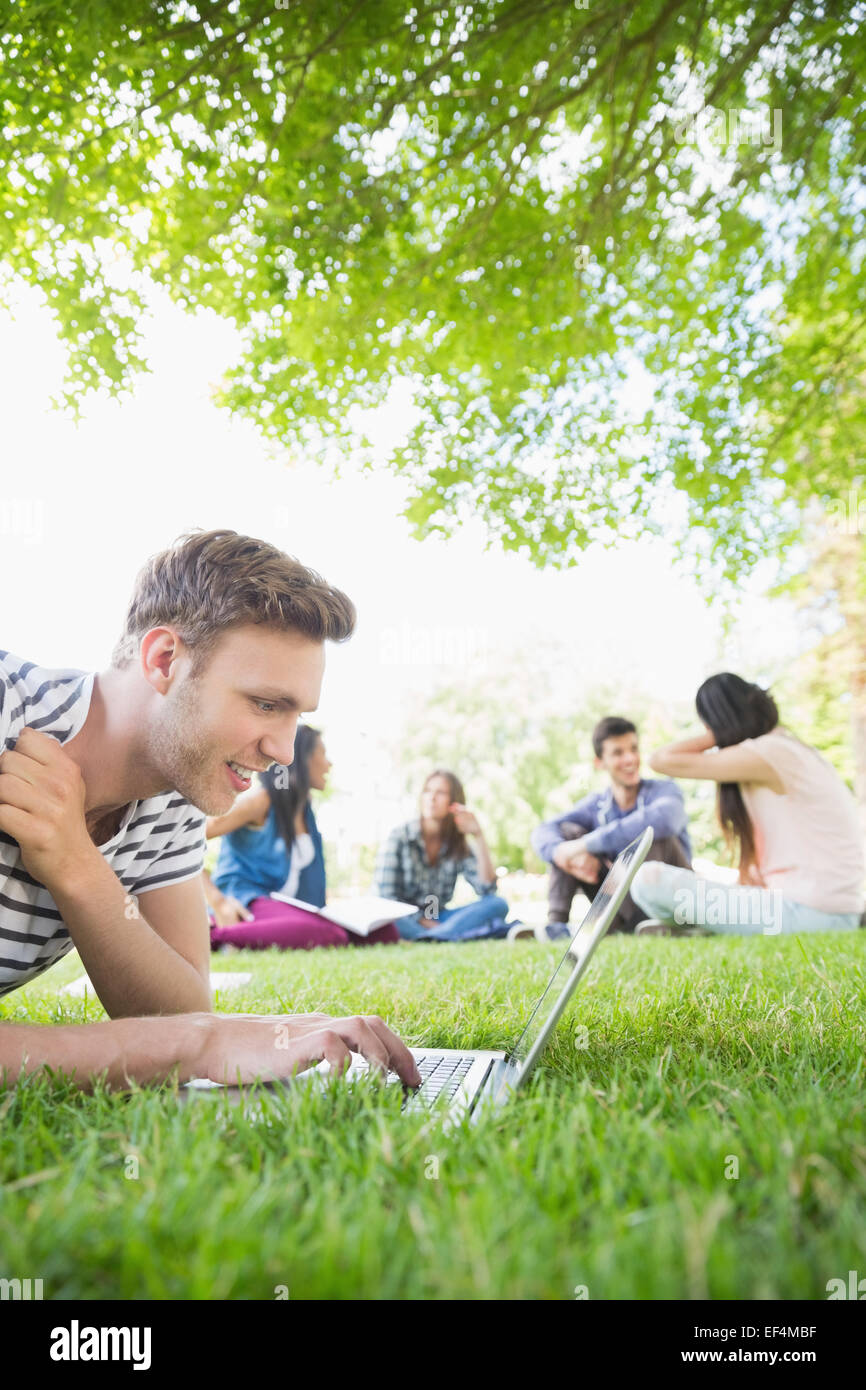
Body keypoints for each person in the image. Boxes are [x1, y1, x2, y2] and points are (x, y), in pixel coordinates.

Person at [0, 529, 421, 1091]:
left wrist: (77, 867)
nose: (283, 752)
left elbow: (175, 1008)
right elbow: (184, 1033)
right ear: (164, 659)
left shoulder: (177, 787)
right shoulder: (9, 709)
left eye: (295, 715)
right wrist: (191, 1045)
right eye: (266, 704)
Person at [629, 673, 865, 936]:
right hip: (821, 910)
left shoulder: (773, 752)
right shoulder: (786, 750)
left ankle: (701, 931)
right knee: (704, 875)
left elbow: (661, 759)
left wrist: (717, 735)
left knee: (646, 880)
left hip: (811, 912)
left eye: (708, 724)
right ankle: (705, 930)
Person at [203, 725, 398, 949]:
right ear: (302, 759)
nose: (329, 764)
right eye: (322, 754)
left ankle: (294, 932)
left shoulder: (305, 810)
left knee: (383, 932)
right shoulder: (261, 801)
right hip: (249, 901)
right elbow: (186, 837)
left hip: (289, 909)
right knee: (328, 935)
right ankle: (215, 934)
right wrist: (219, 902)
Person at [531, 716, 693, 938]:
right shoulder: (596, 804)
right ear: (600, 762)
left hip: (670, 897)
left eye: (634, 749)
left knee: (651, 833)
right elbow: (543, 830)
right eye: (618, 753)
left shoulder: (664, 790)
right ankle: (557, 926)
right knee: (566, 835)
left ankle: (657, 922)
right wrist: (561, 852)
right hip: (619, 902)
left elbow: (666, 819)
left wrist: (587, 844)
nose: (630, 759)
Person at [373, 769, 512, 941]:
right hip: (404, 919)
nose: (432, 798)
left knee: (498, 904)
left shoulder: (457, 844)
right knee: (389, 919)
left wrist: (478, 835)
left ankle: (433, 937)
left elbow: (487, 890)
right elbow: (386, 899)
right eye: (427, 791)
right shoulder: (400, 837)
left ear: (453, 802)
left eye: (440, 793)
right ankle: (444, 935)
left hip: (440, 918)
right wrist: (429, 925)